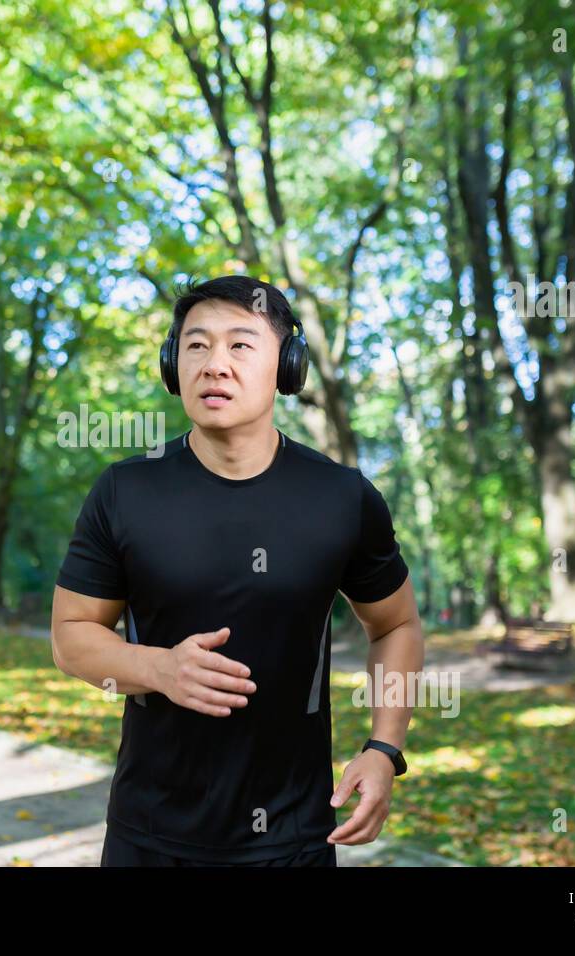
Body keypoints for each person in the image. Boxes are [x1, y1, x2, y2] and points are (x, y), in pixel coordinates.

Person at [50, 274, 425, 867]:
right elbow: (71, 639)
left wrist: (384, 749)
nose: (215, 364)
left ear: (287, 365)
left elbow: (396, 626)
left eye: (240, 344)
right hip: (147, 836)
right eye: (196, 345)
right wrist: (160, 668)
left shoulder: (341, 498)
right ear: (174, 365)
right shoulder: (124, 491)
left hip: (294, 840)